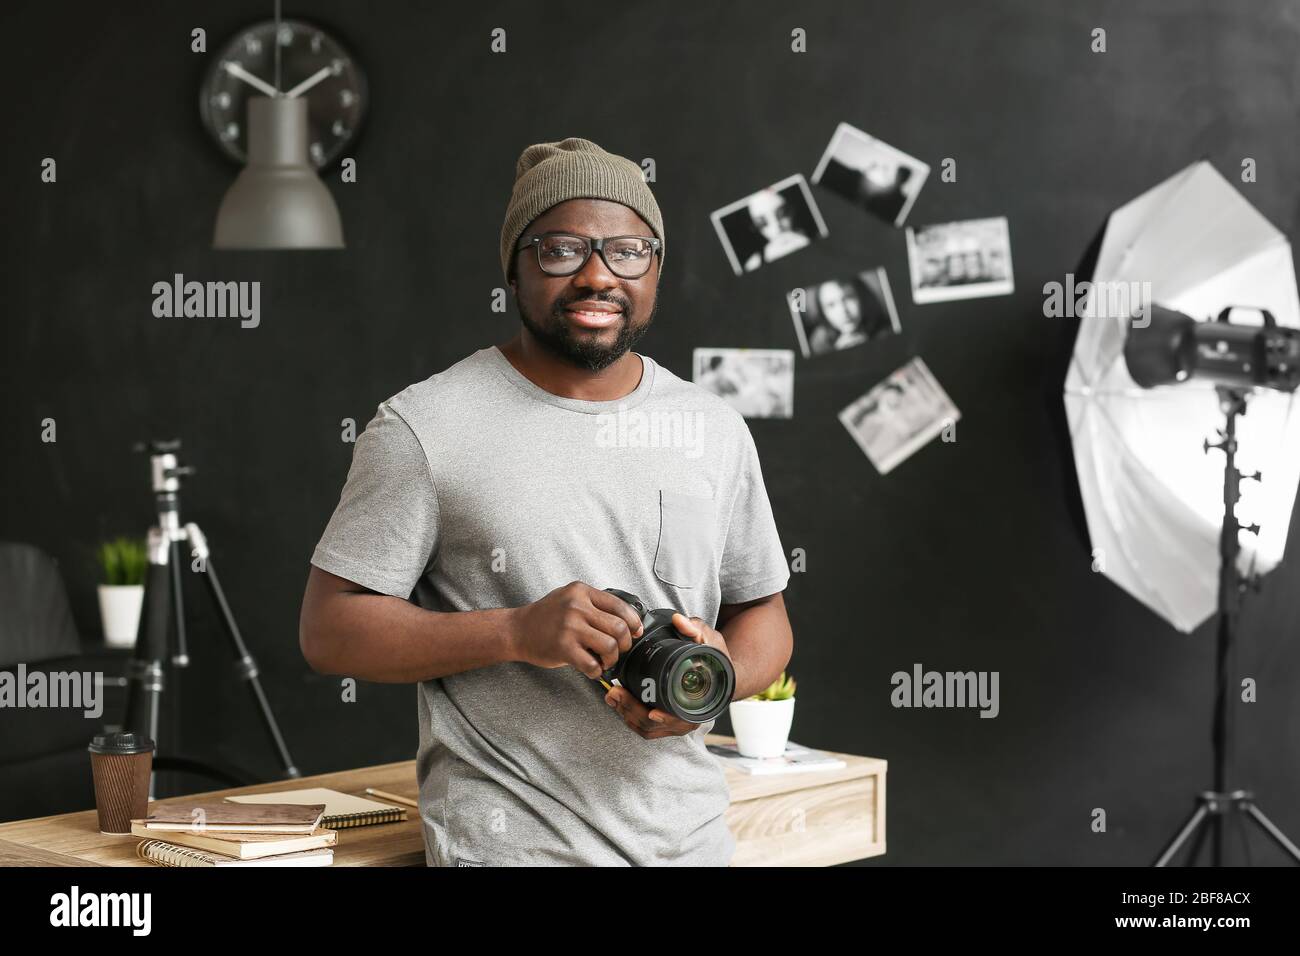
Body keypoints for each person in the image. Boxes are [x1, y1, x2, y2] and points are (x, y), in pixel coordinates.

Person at [299, 137, 794, 866]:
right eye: (562, 249)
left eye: (628, 250)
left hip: (694, 848)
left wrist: (716, 679)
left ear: (655, 267)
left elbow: (765, 614)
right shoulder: (425, 427)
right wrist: (515, 632)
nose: (598, 275)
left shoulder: (711, 427)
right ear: (515, 267)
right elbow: (329, 630)